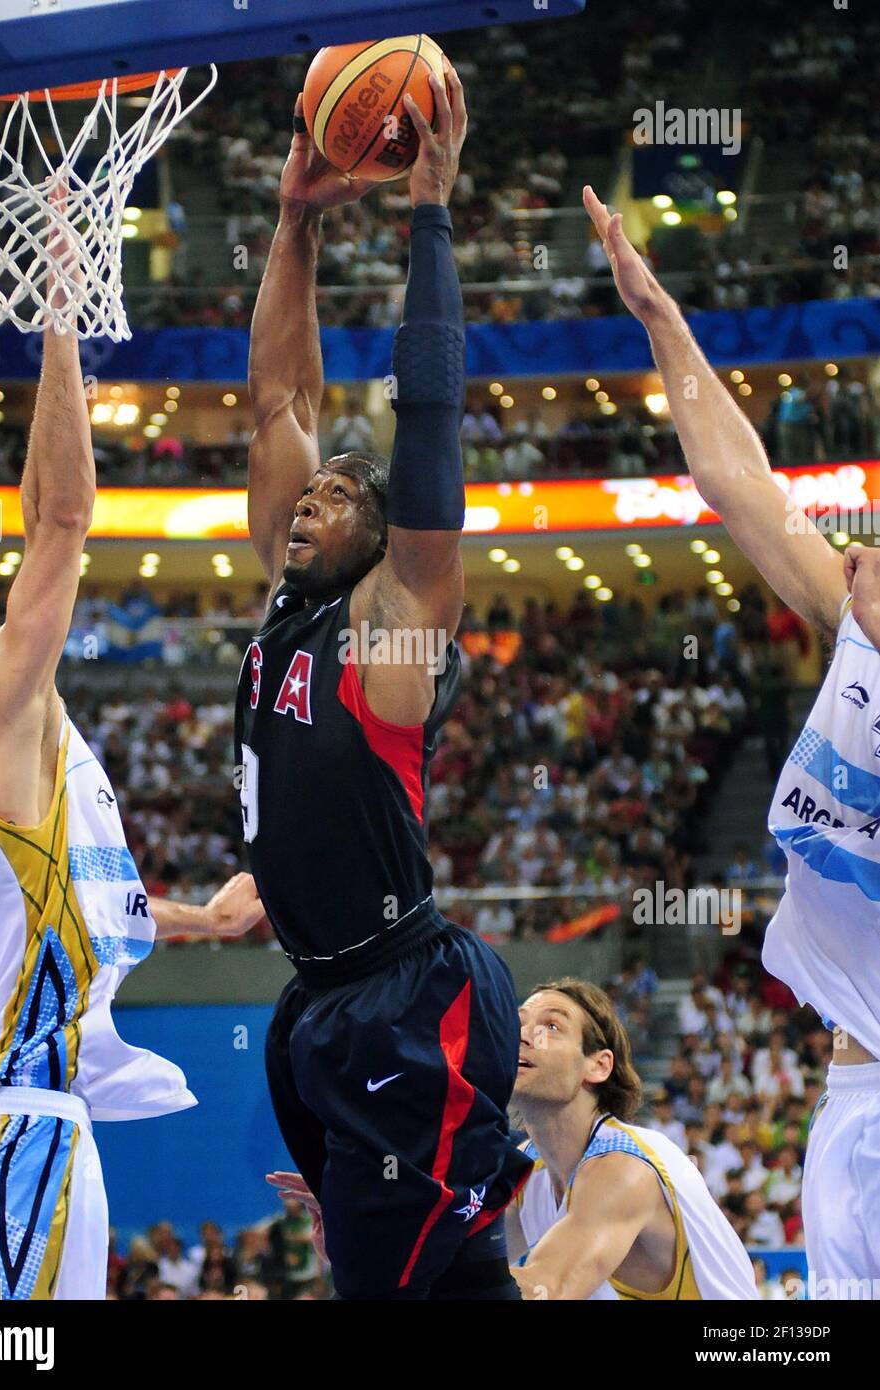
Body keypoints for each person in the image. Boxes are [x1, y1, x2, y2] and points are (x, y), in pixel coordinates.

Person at [0, 261, 265, 1300]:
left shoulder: (31, 773)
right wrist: (62, 315)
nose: (11, 643)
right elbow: (59, 521)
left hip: (2, 1128)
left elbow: (87, 910)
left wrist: (203, 917)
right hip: (8, 1130)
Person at [237, 71, 530, 1300]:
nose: (310, 503)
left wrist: (428, 215)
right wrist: (294, 221)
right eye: (308, 495)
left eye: (337, 498)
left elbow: (429, 421)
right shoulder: (286, 601)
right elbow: (281, 399)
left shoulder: (393, 629)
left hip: (405, 1003)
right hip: (320, 1003)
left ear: (380, 538)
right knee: (455, 1280)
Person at [584, 183, 879, 1297]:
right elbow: (736, 481)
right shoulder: (848, 621)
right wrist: (659, 317)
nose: (853, 558)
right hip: (846, 1097)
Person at [507, 980, 758, 1300]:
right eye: (517, 1023)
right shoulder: (528, 1171)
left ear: (598, 1066)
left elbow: (545, 1290)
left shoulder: (623, 1167)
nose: (524, 1034)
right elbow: (453, 1256)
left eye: (552, 1026)